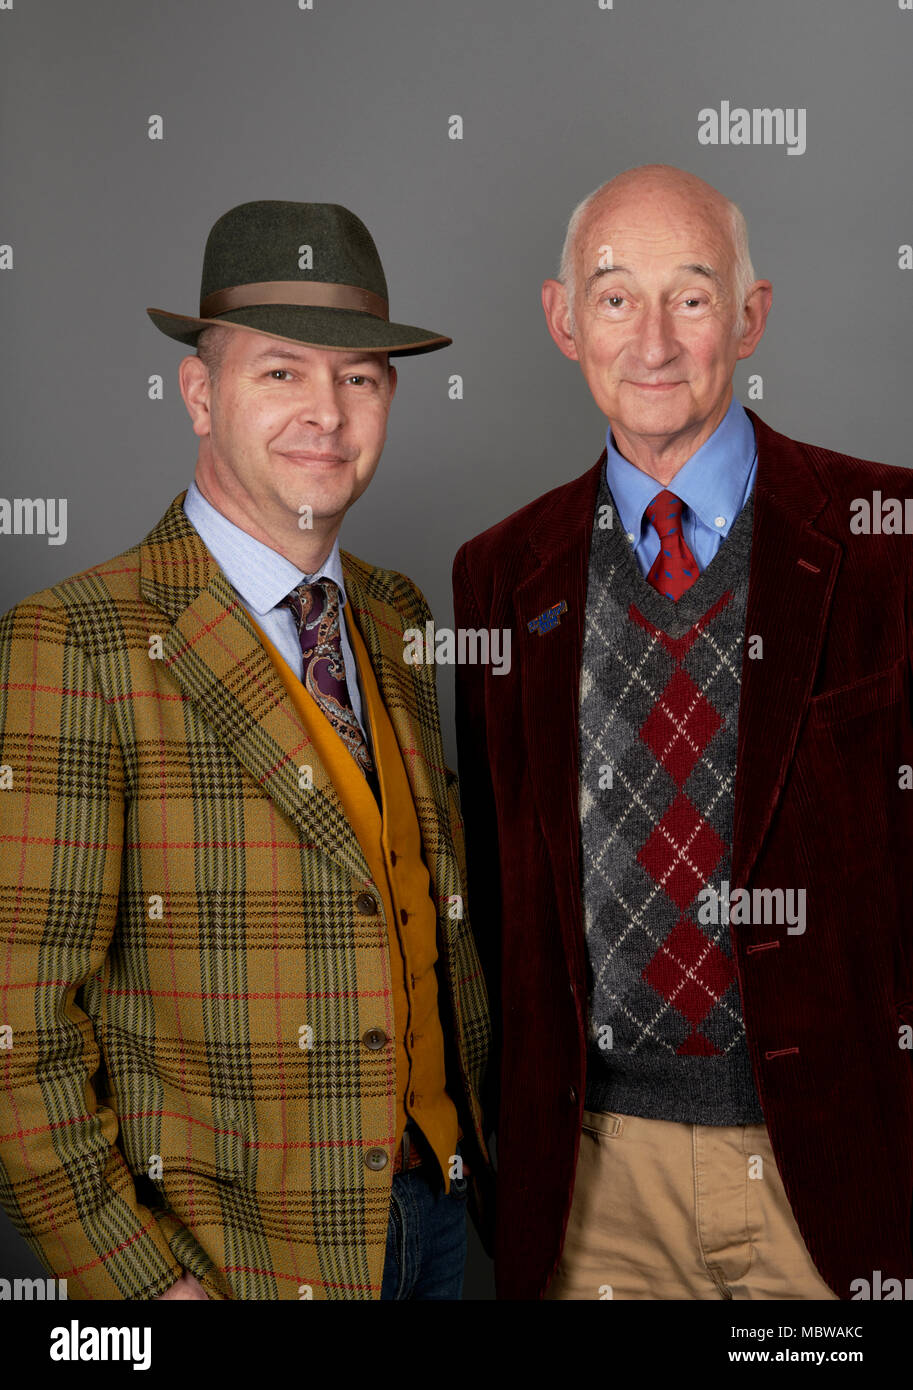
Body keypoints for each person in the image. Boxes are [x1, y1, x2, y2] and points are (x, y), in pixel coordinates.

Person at [0, 199, 491, 1300]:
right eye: (281, 372)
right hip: (235, 1261)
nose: (326, 412)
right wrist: (144, 1287)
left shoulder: (395, 614)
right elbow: (15, 1028)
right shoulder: (75, 642)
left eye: (359, 377)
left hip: (438, 1221)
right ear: (198, 393)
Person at [452, 163, 913, 1300]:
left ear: (749, 317)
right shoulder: (500, 573)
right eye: (615, 297)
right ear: (564, 321)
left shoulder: (890, 538)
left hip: (845, 1160)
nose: (652, 340)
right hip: (596, 1181)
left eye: (691, 297)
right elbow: (502, 890)